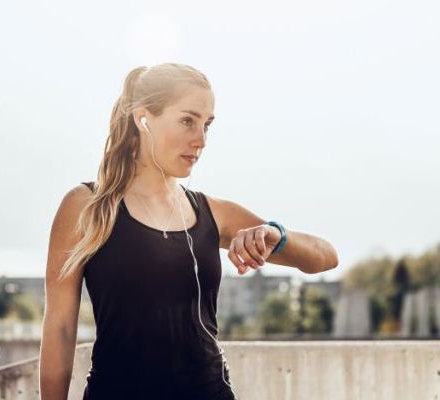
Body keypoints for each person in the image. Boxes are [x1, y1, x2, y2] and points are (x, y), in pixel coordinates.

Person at [39, 63, 339, 400]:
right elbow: (61, 329)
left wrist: (276, 233)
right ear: (143, 118)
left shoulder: (210, 212)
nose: (201, 140)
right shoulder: (86, 206)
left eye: (207, 125)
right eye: (187, 121)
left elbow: (325, 258)